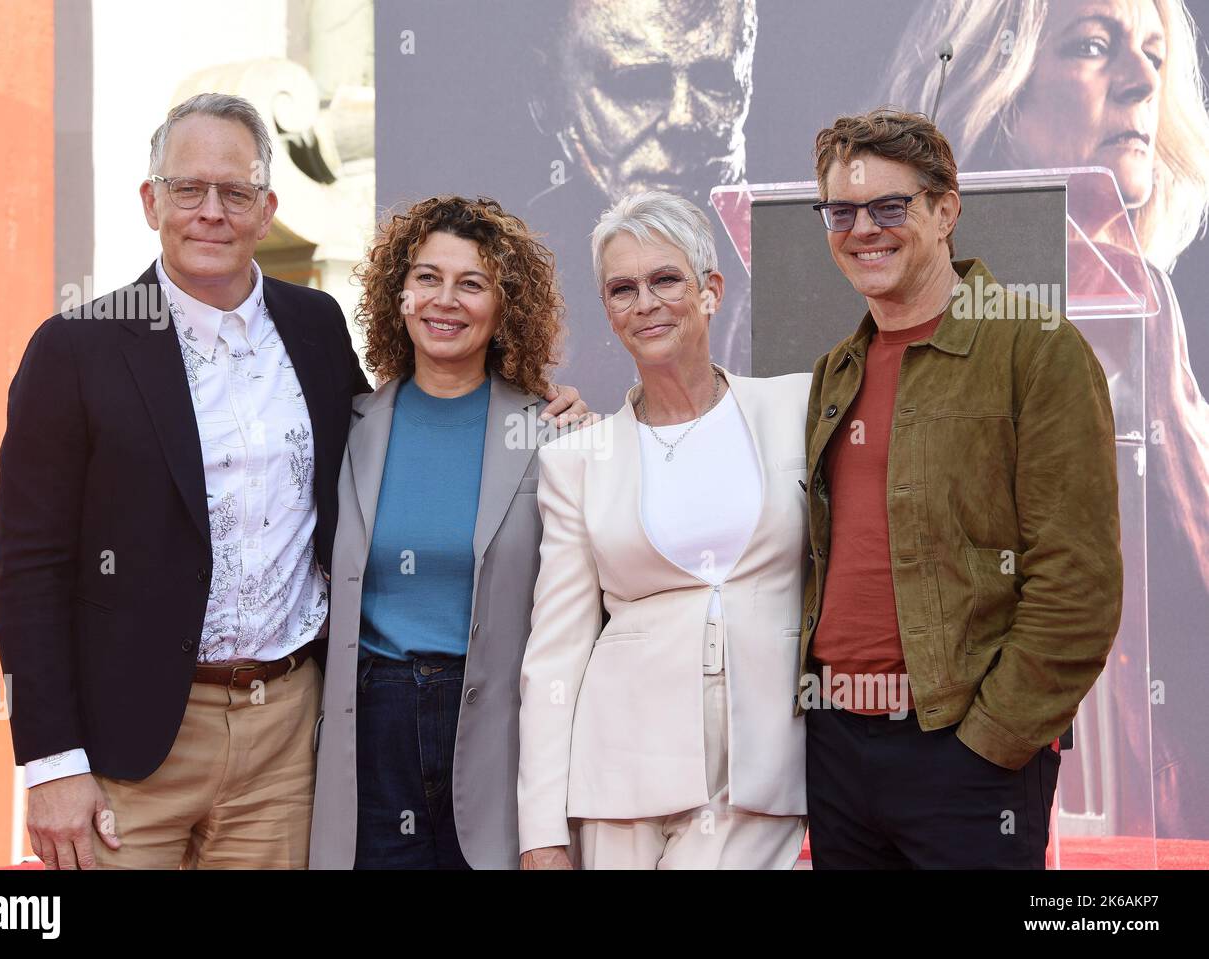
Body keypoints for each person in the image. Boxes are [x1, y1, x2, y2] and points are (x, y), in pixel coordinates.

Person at [0, 94, 586, 870]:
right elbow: (28, 571)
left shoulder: (312, 328)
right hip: (131, 748)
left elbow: (402, 436)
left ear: (267, 209)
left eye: (235, 192)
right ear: (151, 201)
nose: (212, 211)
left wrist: (552, 404)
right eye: (188, 189)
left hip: (288, 741)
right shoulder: (75, 348)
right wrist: (50, 764)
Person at [883, 0, 1209, 843]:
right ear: (1004, 89)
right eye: (1094, 48)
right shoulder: (905, 298)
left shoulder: (1141, 298)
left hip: (1128, 798)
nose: (1142, 80)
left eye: (1154, 54)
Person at [801, 108, 1122, 869]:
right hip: (836, 749)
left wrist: (991, 742)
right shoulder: (834, 371)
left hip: (966, 758)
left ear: (946, 211)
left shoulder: (1035, 349)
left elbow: (1078, 583)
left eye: (890, 207)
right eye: (841, 210)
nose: (862, 228)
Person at [517, 191, 809, 870]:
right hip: (617, 773)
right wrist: (541, 829)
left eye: (665, 279)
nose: (644, 302)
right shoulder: (577, 458)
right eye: (622, 288)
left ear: (711, 290)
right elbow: (555, 654)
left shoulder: (796, 407)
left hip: (761, 769)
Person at [309, 196, 574, 869]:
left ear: (504, 305)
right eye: (428, 277)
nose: (445, 300)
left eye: (472, 283)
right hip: (374, 726)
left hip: (494, 727)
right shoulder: (347, 426)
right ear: (398, 293)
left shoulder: (552, 432)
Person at [523, 0, 760, 409]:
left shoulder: (790, 262)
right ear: (548, 94)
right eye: (638, 85)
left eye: (716, 80)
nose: (684, 119)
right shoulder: (512, 275)